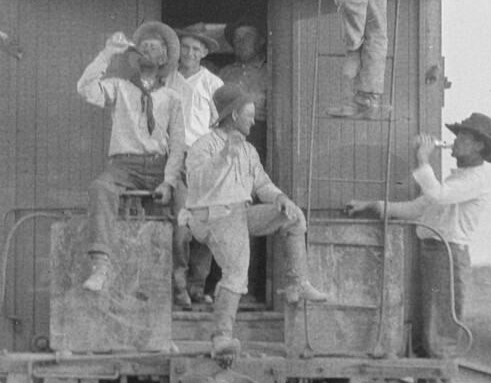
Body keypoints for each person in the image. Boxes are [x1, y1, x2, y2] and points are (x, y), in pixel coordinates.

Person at [349, 113, 491, 383]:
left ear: (477, 147)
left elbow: (436, 195)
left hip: (448, 256)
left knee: (441, 332)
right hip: (433, 254)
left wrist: (422, 159)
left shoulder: (473, 180)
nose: (455, 141)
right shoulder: (456, 178)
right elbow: (419, 208)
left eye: (463, 137)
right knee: (427, 330)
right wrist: (374, 205)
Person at [181, 84, 330, 354]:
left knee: (293, 217)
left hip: (239, 213)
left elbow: (261, 183)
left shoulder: (249, 150)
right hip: (213, 216)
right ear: (234, 114)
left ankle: (297, 283)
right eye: (249, 114)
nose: (253, 119)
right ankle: (221, 338)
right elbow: (198, 184)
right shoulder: (203, 146)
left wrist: (280, 198)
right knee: (237, 271)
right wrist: (225, 156)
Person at [76, 21, 185, 293]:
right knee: (100, 188)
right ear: (136, 56)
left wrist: (169, 182)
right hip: (125, 165)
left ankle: (180, 279)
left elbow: (179, 146)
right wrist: (108, 52)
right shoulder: (119, 87)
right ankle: (101, 266)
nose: (147, 50)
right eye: (143, 46)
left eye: (154, 47)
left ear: (163, 58)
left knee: (185, 210)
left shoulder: (172, 98)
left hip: (159, 166)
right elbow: (85, 89)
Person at [172, 25, 224, 307]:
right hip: (176, 159)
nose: (190, 53)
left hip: (204, 160)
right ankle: (178, 284)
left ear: (204, 52)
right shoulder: (168, 80)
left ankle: (197, 286)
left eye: (196, 48)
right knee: (180, 226)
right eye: (186, 47)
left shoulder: (212, 82)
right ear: (177, 50)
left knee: (205, 226)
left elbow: (222, 123)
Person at [217, 25, 271, 160]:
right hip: (226, 136)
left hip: (257, 137)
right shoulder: (224, 73)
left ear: (261, 41)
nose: (240, 42)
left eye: (248, 36)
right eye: (236, 38)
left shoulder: (268, 72)